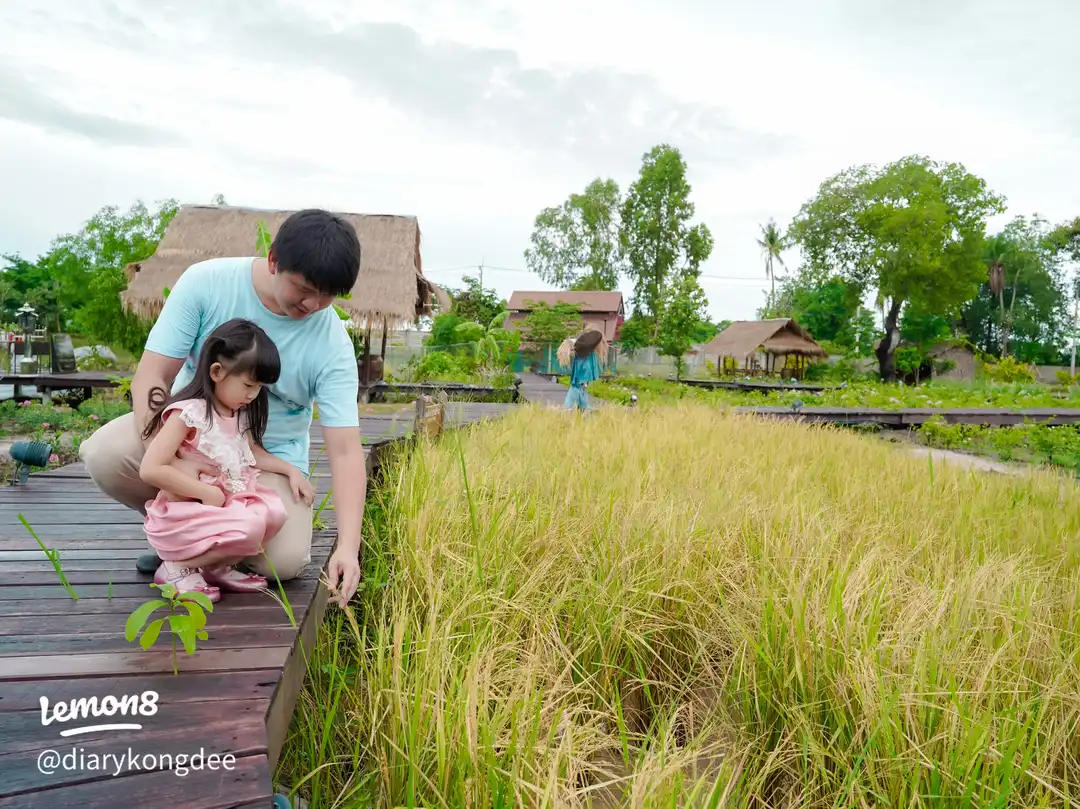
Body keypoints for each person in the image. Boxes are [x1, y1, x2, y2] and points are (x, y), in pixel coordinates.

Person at [79, 209, 367, 608]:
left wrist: (348, 547)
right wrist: (173, 461)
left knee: (283, 562)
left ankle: (196, 550)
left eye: (328, 295)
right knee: (104, 454)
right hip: (191, 437)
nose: (314, 304)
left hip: (265, 460)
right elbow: (152, 377)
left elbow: (346, 450)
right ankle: (184, 540)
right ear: (273, 260)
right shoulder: (207, 283)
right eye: (304, 288)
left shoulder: (331, 342)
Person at [139, 318, 315, 601]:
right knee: (249, 526)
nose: (252, 395)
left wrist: (290, 470)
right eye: (247, 384)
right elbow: (150, 468)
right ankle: (177, 567)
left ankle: (216, 566)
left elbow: (252, 453)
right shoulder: (189, 413)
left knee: (273, 512)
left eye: (258, 387)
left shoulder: (237, 414)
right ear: (217, 372)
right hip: (190, 510)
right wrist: (205, 492)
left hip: (221, 505)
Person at [558, 328, 608, 411]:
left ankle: (583, 407)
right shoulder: (585, 353)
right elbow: (585, 368)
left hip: (581, 375)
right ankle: (568, 407)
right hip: (581, 375)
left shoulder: (584, 351)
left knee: (581, 388)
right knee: (577, 388)